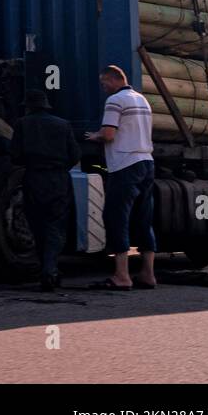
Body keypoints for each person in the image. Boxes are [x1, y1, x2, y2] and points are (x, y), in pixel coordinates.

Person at [84, 65, 156, 289]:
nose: (103, 87)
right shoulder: (142, 100)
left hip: (125, 164)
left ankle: (122, 276)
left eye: (104, 83)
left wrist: (94, 136)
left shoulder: (115, 101)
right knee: (144, 219)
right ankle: (148, 274)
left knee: (117, 217)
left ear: (115, 80)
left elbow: (109, 134)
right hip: (146, 162)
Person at [10, 89, 81, 291]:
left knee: (37, 225)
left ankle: (47, 268)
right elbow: (75, 154)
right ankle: (50, 270)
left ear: (29, 106)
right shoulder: (63, 125)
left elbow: (14, 155)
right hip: (58, 179)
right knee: (55, 226)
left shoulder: (22, 124)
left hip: (33, 178)